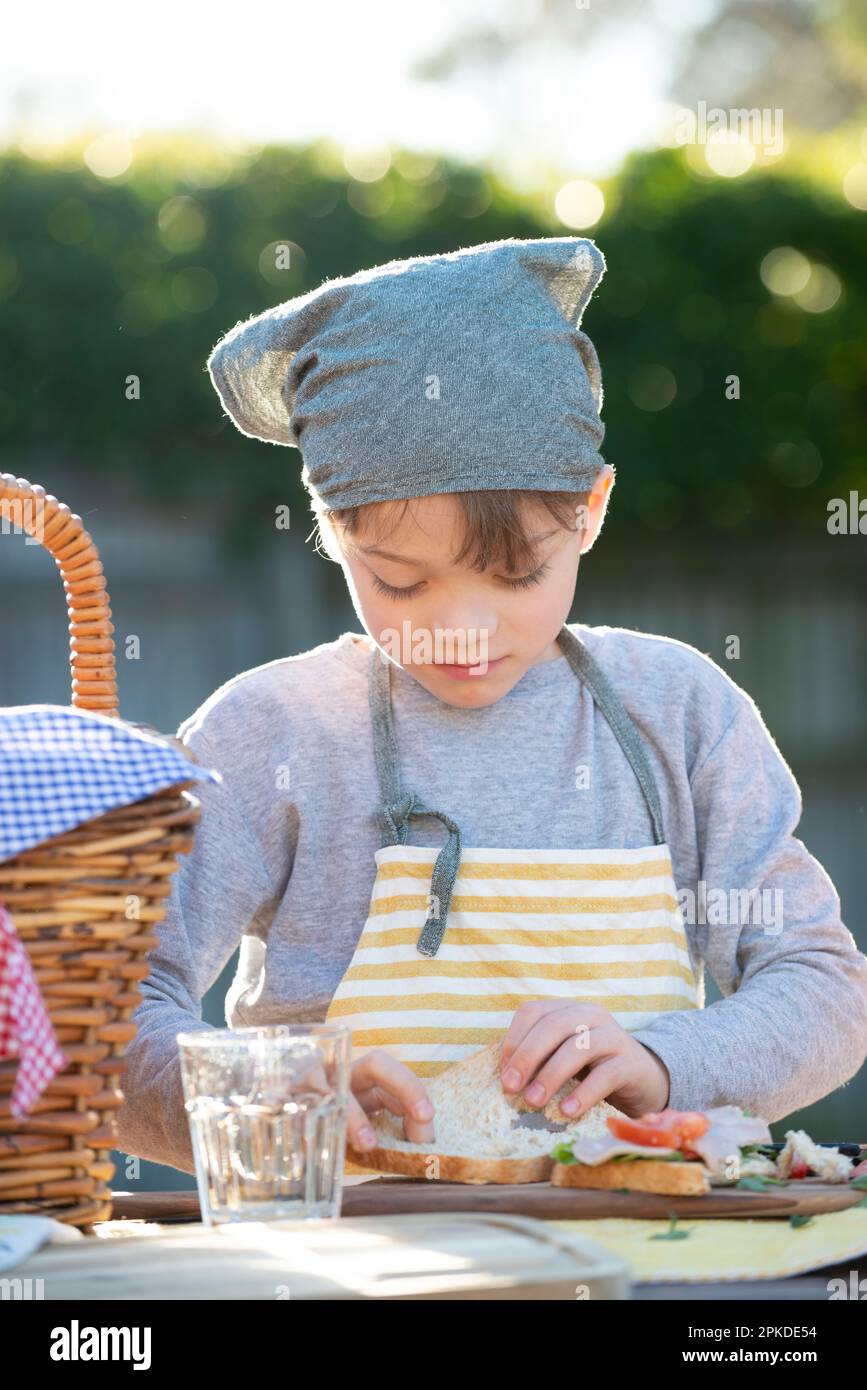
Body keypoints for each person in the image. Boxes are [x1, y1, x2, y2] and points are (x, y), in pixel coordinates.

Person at [115, 237, 867, 1176]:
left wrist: (665, 1064)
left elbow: (823, 988)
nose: (458, 631)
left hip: (648, 1264)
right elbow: (99, 1019)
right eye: (399, 581)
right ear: (332, 537)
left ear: (589, 510)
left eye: (515, 574)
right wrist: (275, 1092)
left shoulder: (677, 712)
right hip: (349, 1268)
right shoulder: (273, 731)